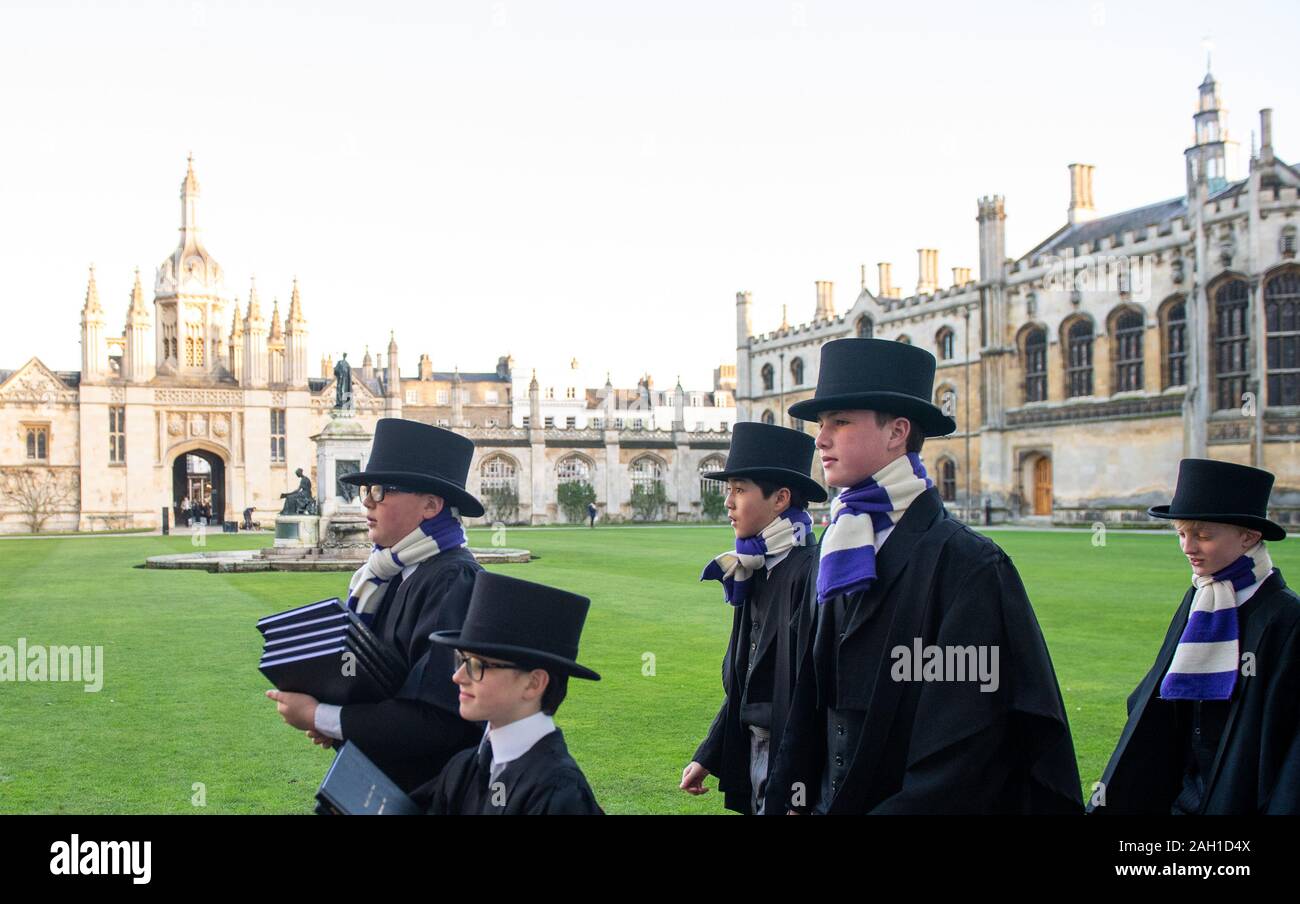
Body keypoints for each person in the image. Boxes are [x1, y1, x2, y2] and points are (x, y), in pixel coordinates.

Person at [766, 338, 1082, 814]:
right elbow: (810, 702)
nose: (821, 439)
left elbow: (963, 754)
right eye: (821, 424)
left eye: (840, 422)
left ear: (897, 432)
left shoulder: (969, 566)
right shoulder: (836, 545)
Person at [265, 418, 486, 792]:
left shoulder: (452, 581)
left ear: (431, 505)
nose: (366, 500)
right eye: (368, 488)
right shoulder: (384, 575)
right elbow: (382, 683)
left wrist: (324, 716)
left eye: (382, 490)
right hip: (381, 780)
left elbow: (439, 719)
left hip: (427, 793)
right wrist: (338, 721)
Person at [1090, 459, 1300, 814]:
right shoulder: (1201, 597)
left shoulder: (1285, 618)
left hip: (1238, 797)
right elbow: (1155, 700)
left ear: (1249, 536)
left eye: (1203, 535)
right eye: (1181, 534)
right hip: (1182, 794)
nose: (1188, 547)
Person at [681, 421, 825, 814]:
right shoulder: (752, 569)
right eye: (729, 490)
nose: (728, 502)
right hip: (753, 752)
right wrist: (708, 755)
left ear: (780, 500)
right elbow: (745, 684)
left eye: (740, 490)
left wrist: (799, 790)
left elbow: (811, 700)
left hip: (788, 759)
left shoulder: (809, 573)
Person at [412, 571, 603, 815]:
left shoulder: (559, 794)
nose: (458, 676)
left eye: (478, 665)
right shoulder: (464, 768)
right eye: (461, 660)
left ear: (534, 683)